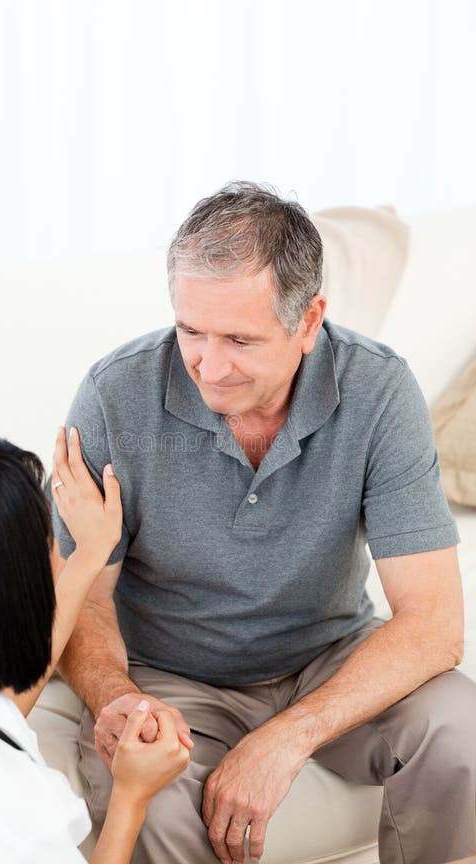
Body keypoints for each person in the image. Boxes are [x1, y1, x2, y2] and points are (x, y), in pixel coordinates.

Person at [54, 182, 476, 864]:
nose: (209, 367)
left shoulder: (379, 390)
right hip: (169, 676)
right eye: (191, 331)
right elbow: (81, 597)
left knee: (463, 731)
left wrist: (289, 736)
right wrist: (119, 698)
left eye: (240, 340)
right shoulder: (114, 395)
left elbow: (433, 622)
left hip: (326, 655)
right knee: (154, 808)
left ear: (309, 322)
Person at [0, 429, 190, 864]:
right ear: (18, 598)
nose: (58, 556)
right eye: (51, 545)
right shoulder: (16, 822)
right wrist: (132, 796)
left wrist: (90, 554)